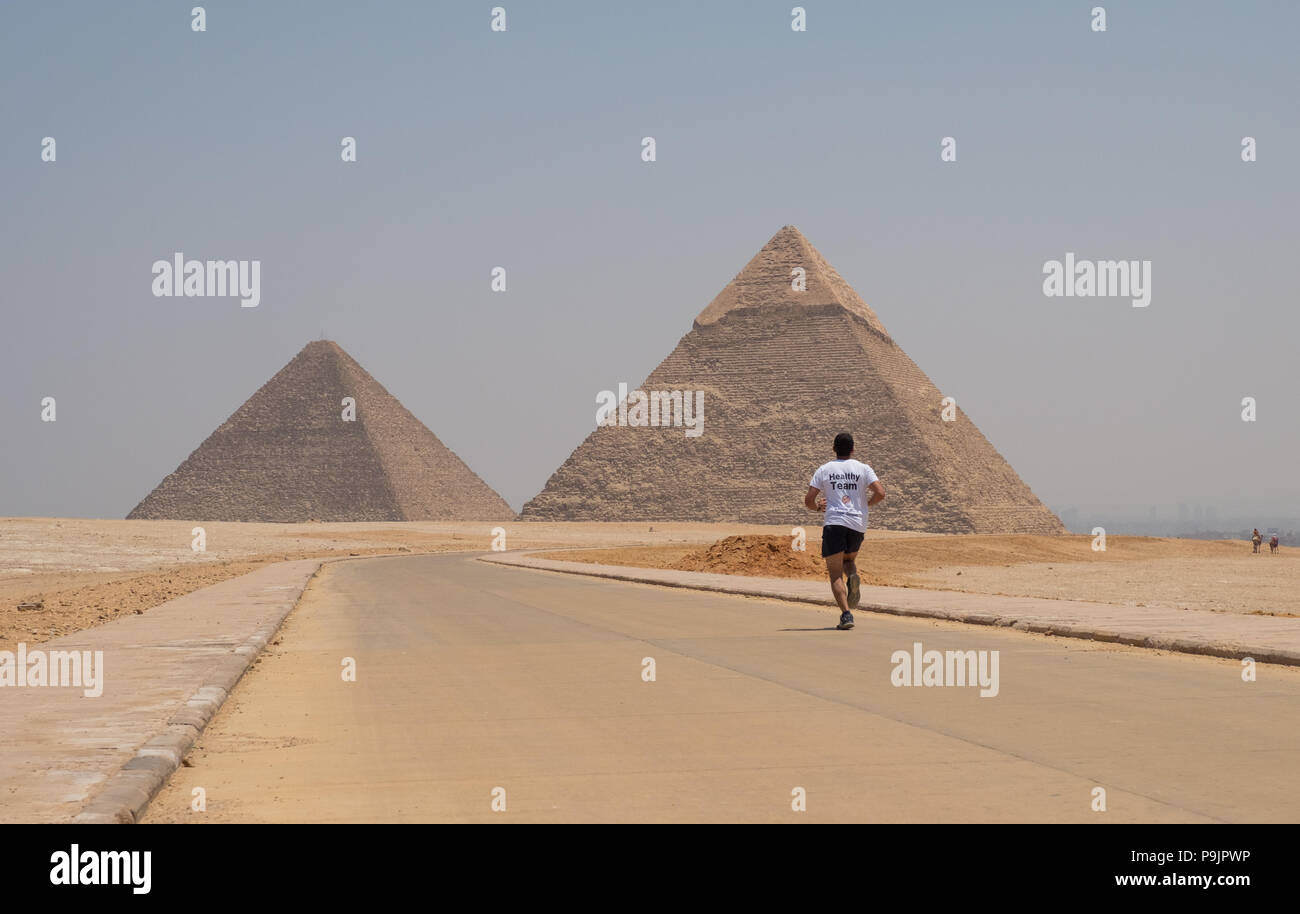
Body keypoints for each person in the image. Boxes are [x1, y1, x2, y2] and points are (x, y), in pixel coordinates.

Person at [805, 432, 886, 630]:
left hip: (834, 522)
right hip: (857, 523)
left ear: (834, 449)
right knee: (849, 561)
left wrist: (818, 507)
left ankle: (846, 614)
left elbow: (808, 500)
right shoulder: (863, 468)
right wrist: (866, 505)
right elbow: (881, 493)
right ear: (852, 449)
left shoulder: (825, 469)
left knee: (834, 574)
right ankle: (853, 577)